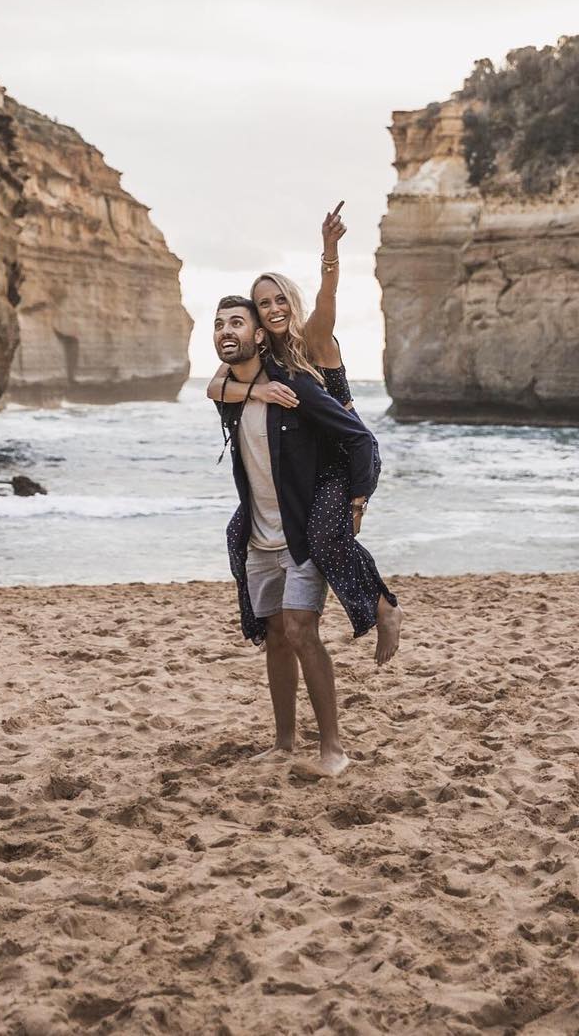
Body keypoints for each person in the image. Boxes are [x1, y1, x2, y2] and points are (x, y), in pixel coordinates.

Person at [207, 202, 402, 664]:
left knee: (324, 537)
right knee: (240, 528)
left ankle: (383, 608)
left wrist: (329, 251)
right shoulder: (262, 359)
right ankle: (258, 619)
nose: (272, 309)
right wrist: (259, 394)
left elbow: (328, 299)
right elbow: (216, 387)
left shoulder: (311, 339)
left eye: (279, 300)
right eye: (263, 304)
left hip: (346, 451)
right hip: (311, 461)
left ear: (291, 302)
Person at [211, 295, 378, 777]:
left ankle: (333, 750)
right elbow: (215, 388)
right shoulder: (231, 396)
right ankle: (283, 743)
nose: (227, 330)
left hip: (302, 534)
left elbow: (359, 437)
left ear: (259, 335)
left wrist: (356, 501)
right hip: (259, 539)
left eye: (237, 323)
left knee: (303, 632)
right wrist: (249, 393)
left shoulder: (293, 386)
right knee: (276, 638)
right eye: (219, 324)